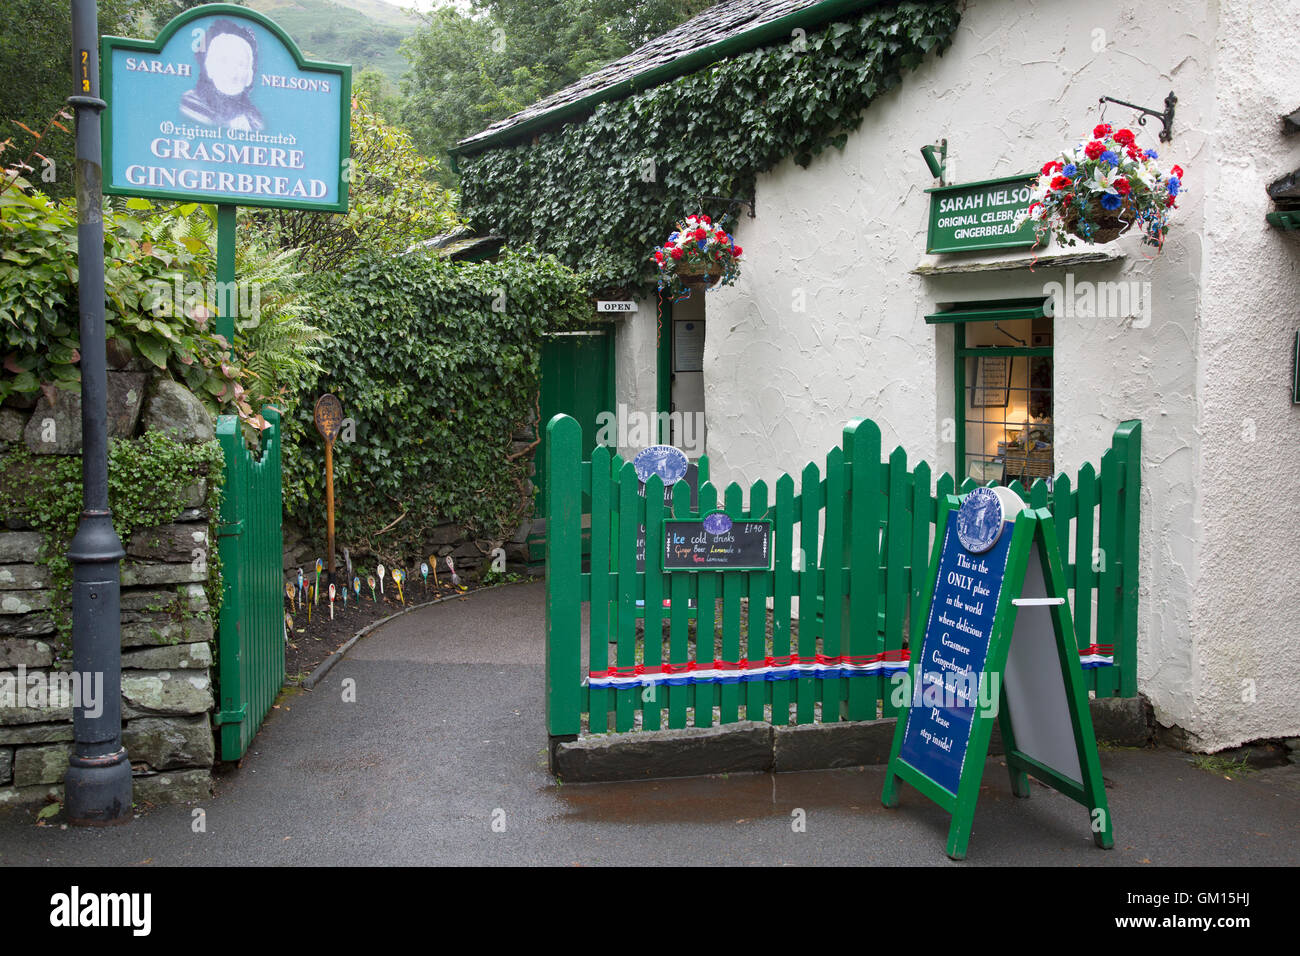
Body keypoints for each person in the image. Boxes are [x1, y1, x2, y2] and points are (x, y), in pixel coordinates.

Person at [180, 19, 265, 132]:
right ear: (209, 68)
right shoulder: (189, 104)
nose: (233, 71)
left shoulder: (255, 121)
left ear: (249, 77)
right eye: (224, 61)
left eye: (241, 64)